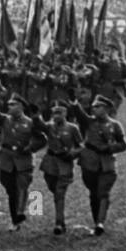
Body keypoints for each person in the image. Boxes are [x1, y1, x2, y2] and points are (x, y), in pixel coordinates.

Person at [0, 93, 45, 231]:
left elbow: (42, 140)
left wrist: (29, 148)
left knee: (22, 187)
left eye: (13, 104)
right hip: (7, 159)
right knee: (10, 188)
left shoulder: (30, 122)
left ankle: (18, 215)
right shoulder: (5, 120)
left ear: (21, 106)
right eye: (8, 104)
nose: (9, 106)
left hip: (23, 159)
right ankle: (16, 215)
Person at [68, 94, 126, 236]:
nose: (94, 109)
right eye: (93, 107)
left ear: (106, 108)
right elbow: (80, 114)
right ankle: (97, 222)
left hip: (107, 164)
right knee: (93, 194)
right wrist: (74, 103)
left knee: (103, 193)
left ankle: (100, 222)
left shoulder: (115, 125)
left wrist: (109, 148)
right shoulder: (89, 122)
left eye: (98, 107)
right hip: (89, 163)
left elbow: (124, 144)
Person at [33, 100, 83, 235]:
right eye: (54, 113)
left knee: (59, 194)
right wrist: (36, 115)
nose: (56, 116)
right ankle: (60, 214)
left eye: (59, 113)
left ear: (65, 114)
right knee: (53, 188)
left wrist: (72, 154)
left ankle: (59, 223)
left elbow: (80, 146)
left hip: (64, 163)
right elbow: (40, 125)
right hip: (50, 163)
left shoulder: (73, 128)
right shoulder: (49, 126)